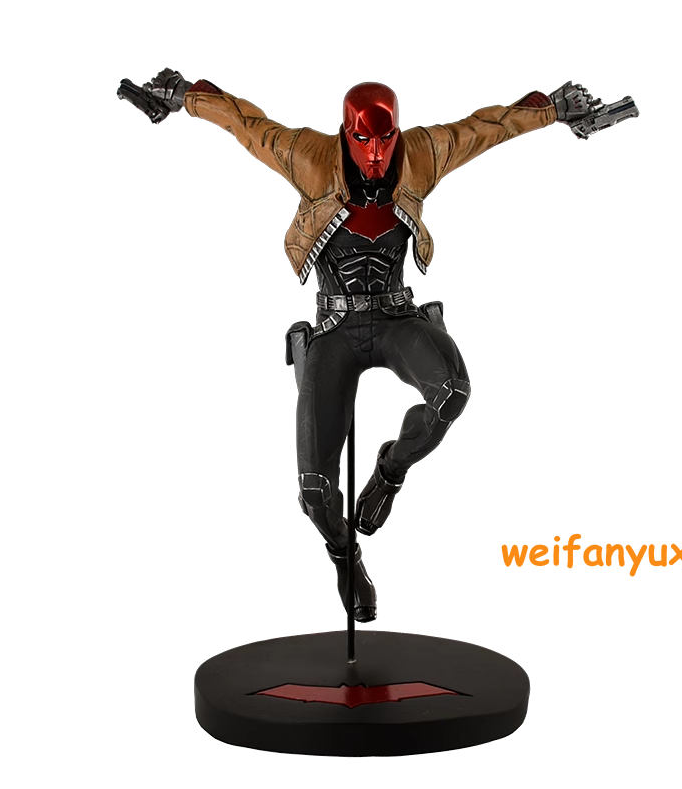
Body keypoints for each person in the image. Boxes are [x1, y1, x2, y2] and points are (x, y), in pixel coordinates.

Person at [129, 70, 603, 622]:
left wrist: (555, 109)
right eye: (362, 140)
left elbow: (486, 127)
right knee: (314, 489)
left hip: (396, 318)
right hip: (335, 330)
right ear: (344, 134)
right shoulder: (309, 157)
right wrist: (183, 96)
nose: (376, 154)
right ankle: (345, 556)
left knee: (452, 392)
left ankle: (391, 470)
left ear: (398, 132)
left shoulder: (421, 154)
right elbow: (245, 122)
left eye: (385, 139)